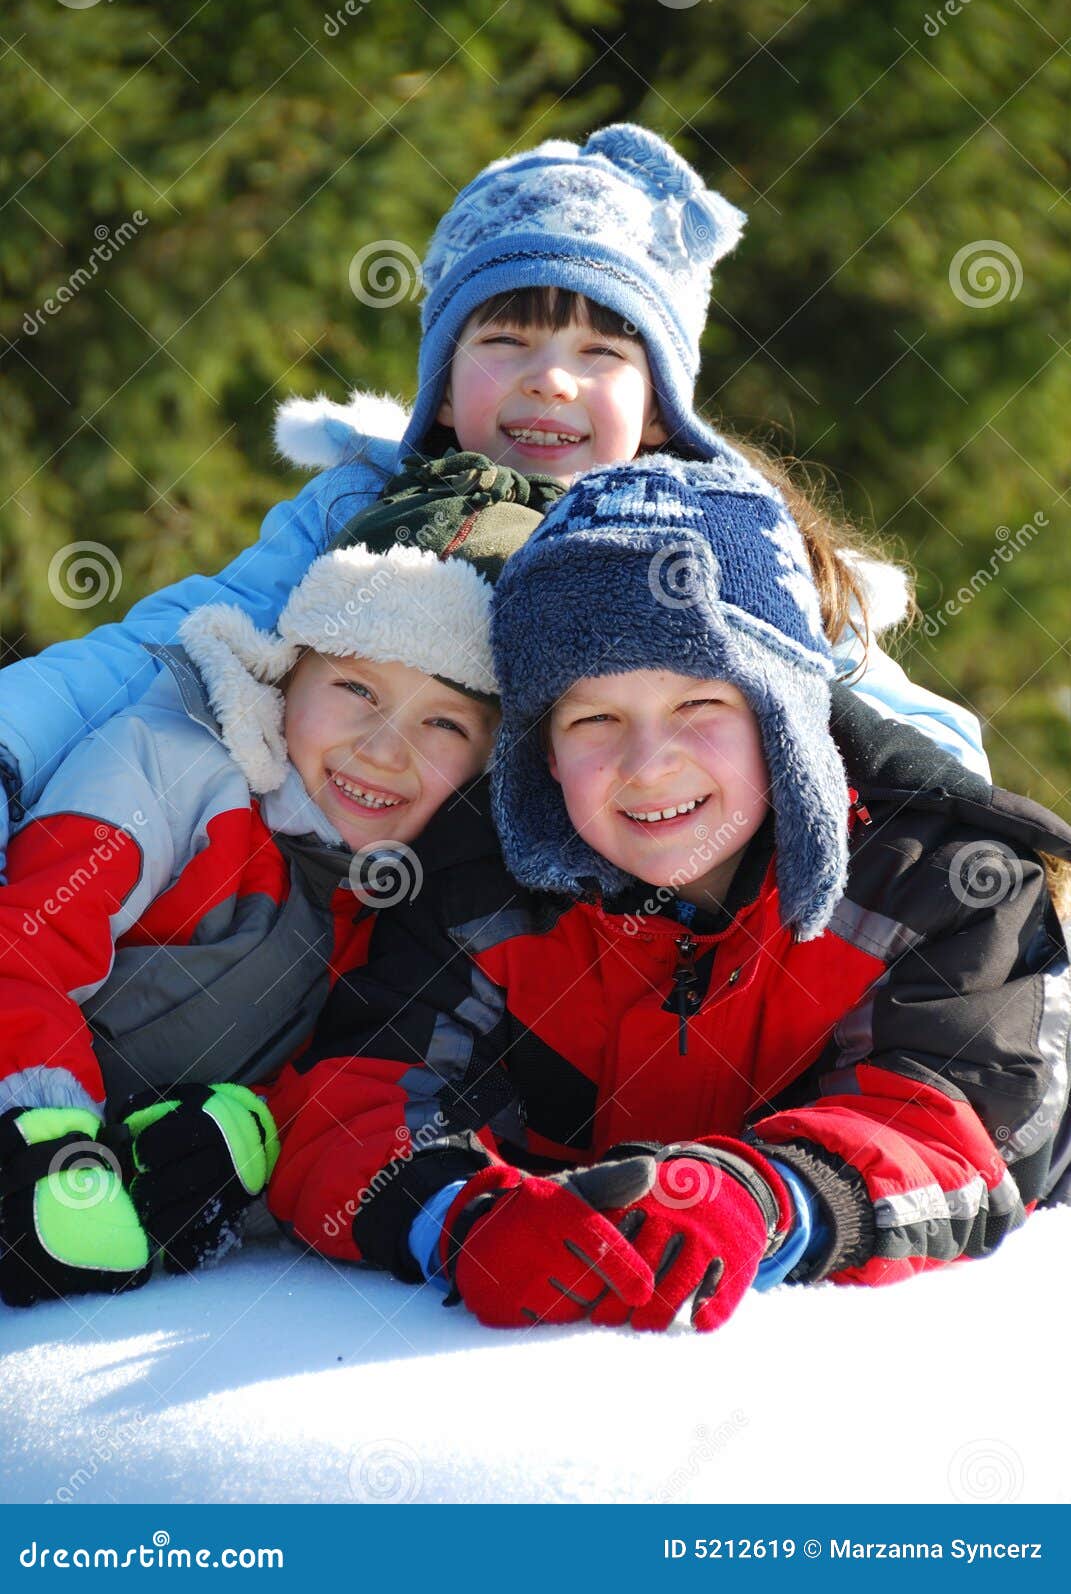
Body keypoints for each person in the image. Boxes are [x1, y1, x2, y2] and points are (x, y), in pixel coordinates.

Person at [0, 123, 989, 886]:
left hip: (597, 923)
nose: (549, 381)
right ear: (441, 377)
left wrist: (959, 830)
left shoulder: (710, 545)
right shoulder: (370, 510)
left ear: (657, 412)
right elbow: (169, 641)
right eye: (506, 342)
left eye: (599, 354)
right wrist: (15, 740)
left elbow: (873, 701)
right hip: (349, 910)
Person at [262, 451, 1071, 1333]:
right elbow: (354, 1097)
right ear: (541, 751)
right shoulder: (475, 882)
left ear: (784, 713)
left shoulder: (938, 879)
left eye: (698, 706)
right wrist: (464, 1219)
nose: (647, 766)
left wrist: (763, 1200)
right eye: (594, 718)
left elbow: (964, 1134)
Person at [0, 459, 559, 1307]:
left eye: (443, 722)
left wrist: (237, 1135)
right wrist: (46, 1137)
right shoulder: (168, 771)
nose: (381, 748)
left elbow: (362, 1074)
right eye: (356, 688)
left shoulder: (430, 895)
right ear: (286, 672)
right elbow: (20, 954)